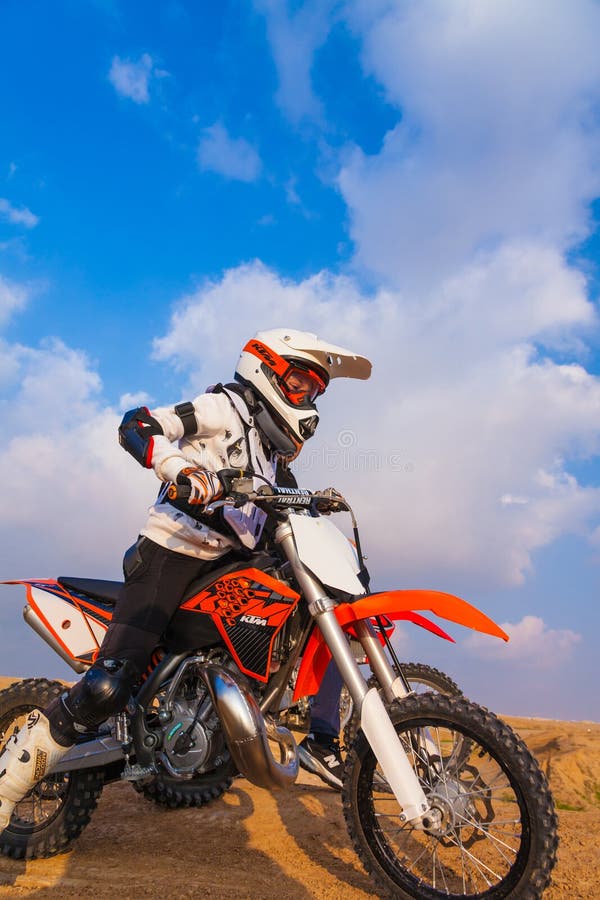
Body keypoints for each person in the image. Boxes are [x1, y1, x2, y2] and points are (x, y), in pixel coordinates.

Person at [0, 329, 371, 828]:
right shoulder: (221, 408)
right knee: (108, 685)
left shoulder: (271, 455)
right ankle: (6, 788)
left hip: (226, 561)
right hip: (170, 552)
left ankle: (299, 735)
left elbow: (288, 513)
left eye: (316, 392)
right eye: (300, 385)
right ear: (266, 370)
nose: (308, 400)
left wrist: (322, 518)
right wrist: (179, 469)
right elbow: (139, 425)